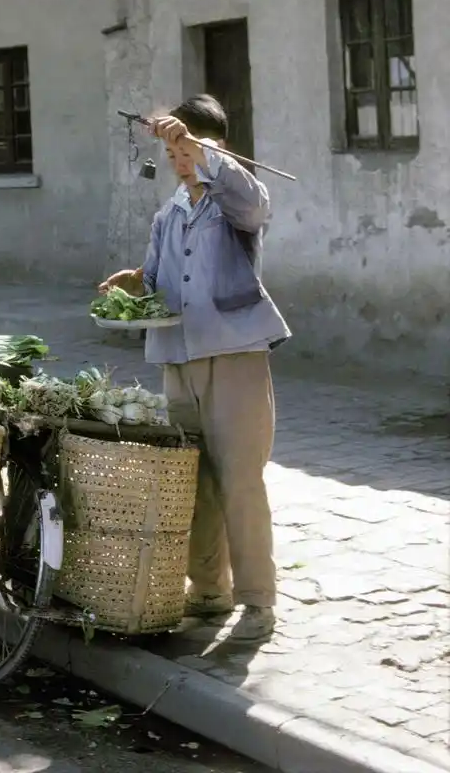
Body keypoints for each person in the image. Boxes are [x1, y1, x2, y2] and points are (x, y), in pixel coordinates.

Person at [98, 94, 290, 643]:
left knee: (240, 478)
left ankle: (257, 599)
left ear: (215, 147)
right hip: (177, 358)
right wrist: (132, 282)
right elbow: (160, 283)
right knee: (195, 478)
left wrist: (206, 155)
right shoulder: (169, 213)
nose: (180, 161)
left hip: (234, 357)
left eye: (188, 148)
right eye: (173, 152)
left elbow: (254, 209)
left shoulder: (238, 200)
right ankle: (209, 589)